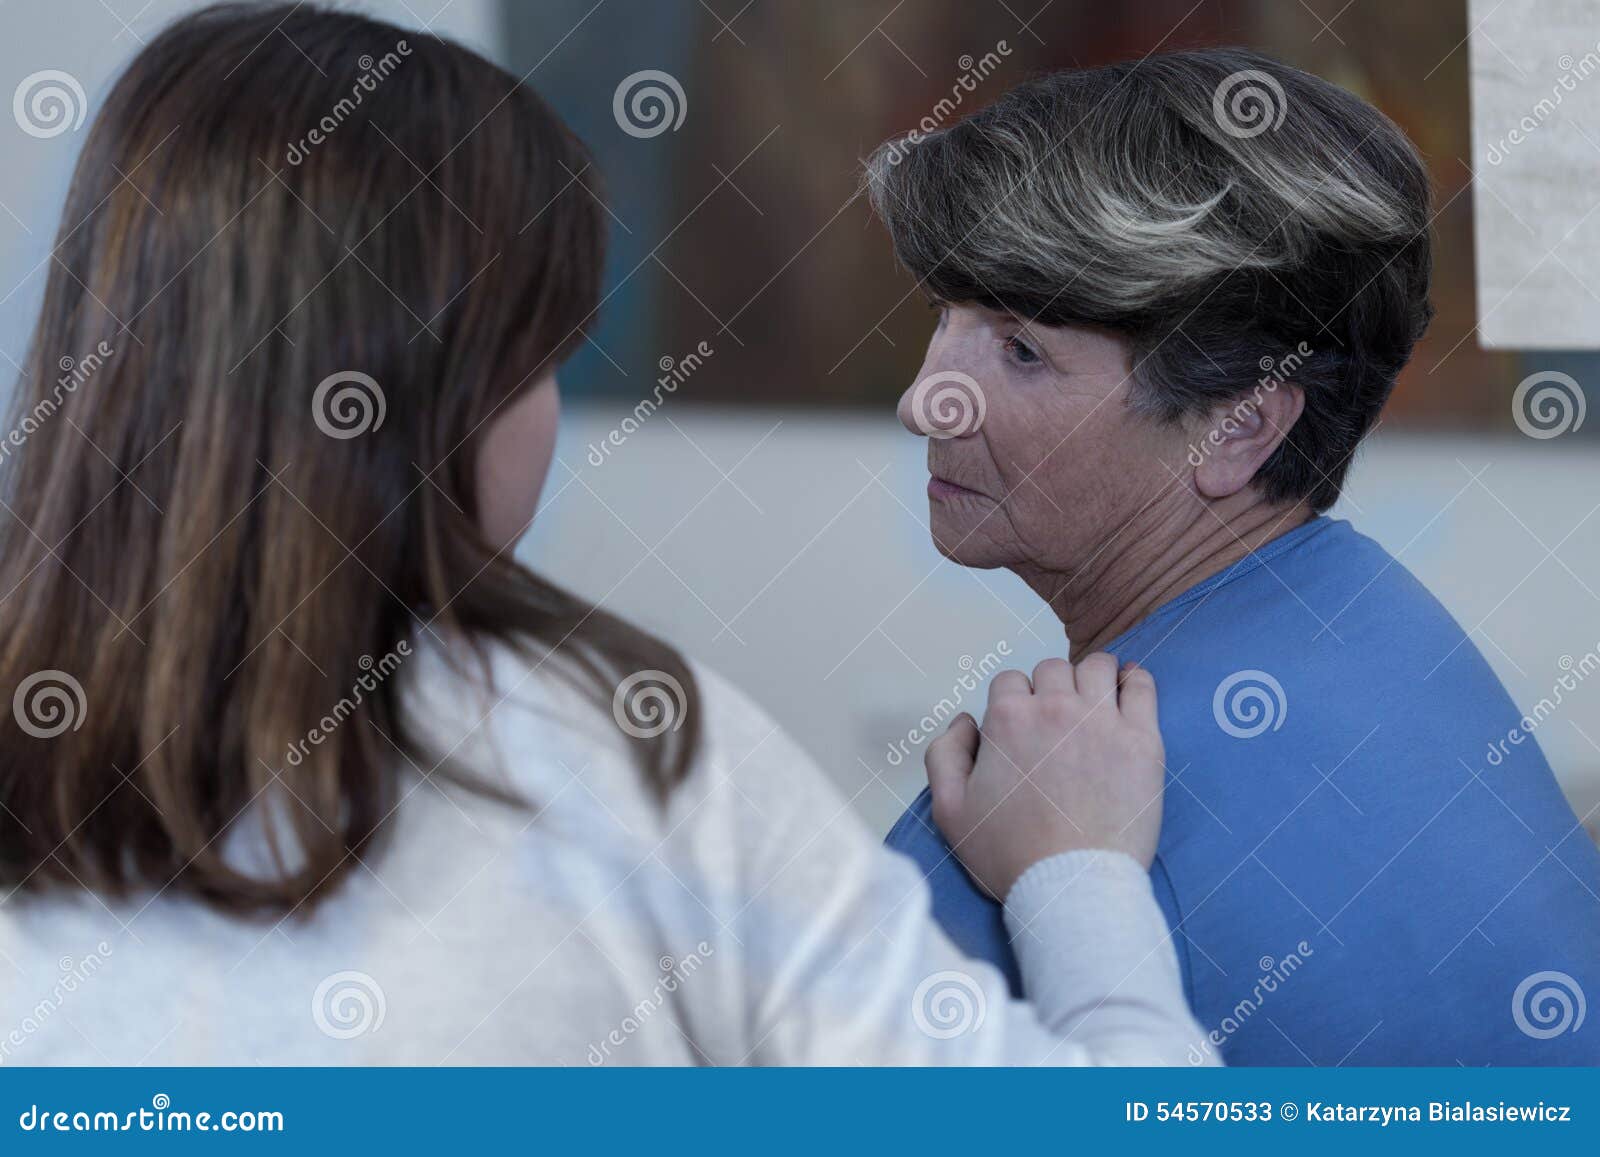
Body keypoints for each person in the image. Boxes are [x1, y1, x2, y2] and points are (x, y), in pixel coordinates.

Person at [0, 3, 1208, 1067]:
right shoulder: (637, 761)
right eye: (544, 360)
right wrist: (1082, 872)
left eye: (1023, 346)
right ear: (451, 387)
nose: (929, 404)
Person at [868, 48, 1600, 1065]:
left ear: (1241, 429)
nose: (922, 401)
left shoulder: (1013, 832)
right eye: (943, 320)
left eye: (1021, 350)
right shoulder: (1393, 637)